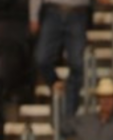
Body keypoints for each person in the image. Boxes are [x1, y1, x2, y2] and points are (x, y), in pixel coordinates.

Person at [33, 0, 91, 130]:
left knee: (78, 64)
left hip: (78, 12)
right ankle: (56, 84)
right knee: (41, 59)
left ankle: (68, 111)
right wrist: (33, 16)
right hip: (52, 11)